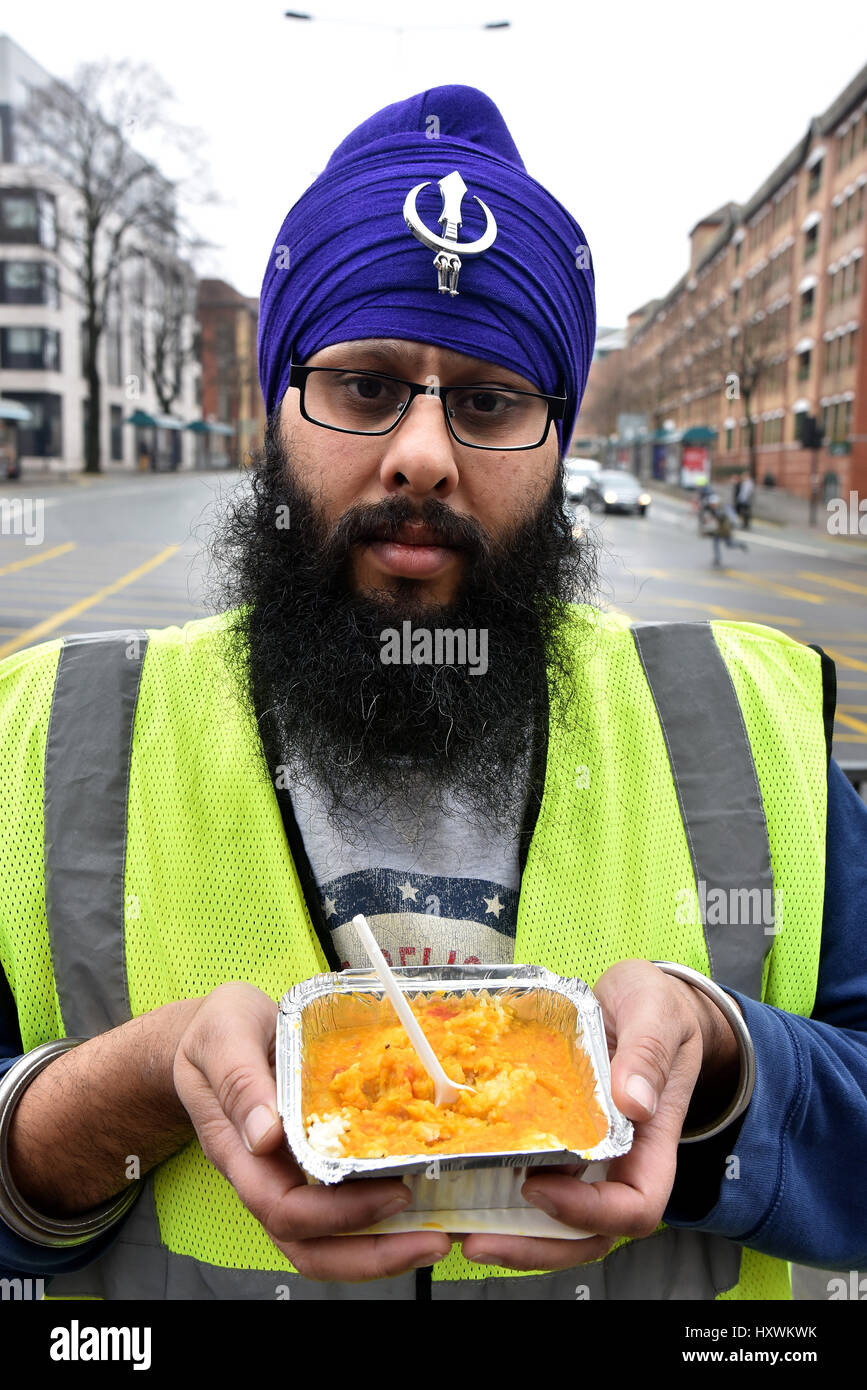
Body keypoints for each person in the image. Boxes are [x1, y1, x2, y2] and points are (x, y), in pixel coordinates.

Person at [0, 84, 865, 1304]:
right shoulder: (42, 740)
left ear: (561, 439)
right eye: (363, 386)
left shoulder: (746, 722)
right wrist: (135, 1087)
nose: (421, 452)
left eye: (489, 400)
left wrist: (726, 1063)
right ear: (278, 411)